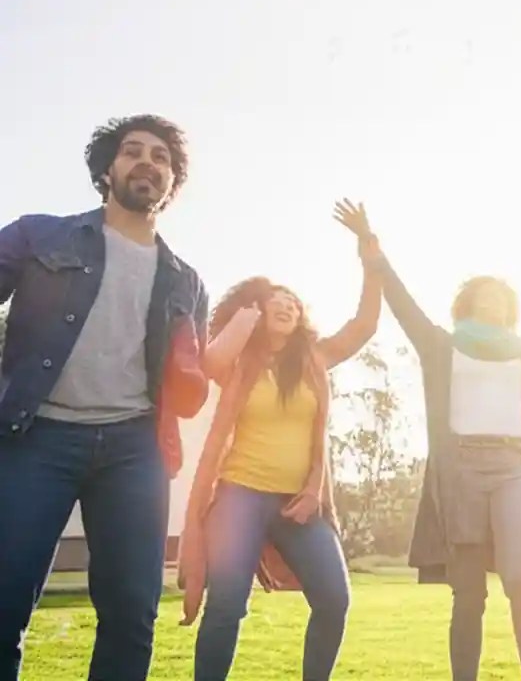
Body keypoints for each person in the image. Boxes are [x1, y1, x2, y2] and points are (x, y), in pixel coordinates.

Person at [0, 115, 209, 681]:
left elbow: (188, 386)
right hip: (35, 437)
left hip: (134, 447)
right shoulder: (39, 237)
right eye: (133, 151)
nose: (147, 162)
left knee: (131, 616)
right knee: (3, 603)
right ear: (107, 169)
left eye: (161, 157)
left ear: (172, 181)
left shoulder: (185, 281)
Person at [370, 231, 521, 681]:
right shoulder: (442, 345)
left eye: (501, 298)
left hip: (514, 468)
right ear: (467, 304)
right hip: (461, 470)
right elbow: (405, 308)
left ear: (511, 309)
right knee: (468, 594)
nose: (493, 303)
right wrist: (378, 260)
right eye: (484, 296)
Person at [177, 199, 382, 680]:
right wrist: (241, 323)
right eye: (276, 302)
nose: (287, 306)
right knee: (227, 606)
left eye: (293, 302)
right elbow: (209, 363)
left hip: (299, 501)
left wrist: (368, 254)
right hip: (239, 495)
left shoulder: (313, 360)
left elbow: (365, 326)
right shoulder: (240, 364)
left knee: (334, 599)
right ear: (255, 313)